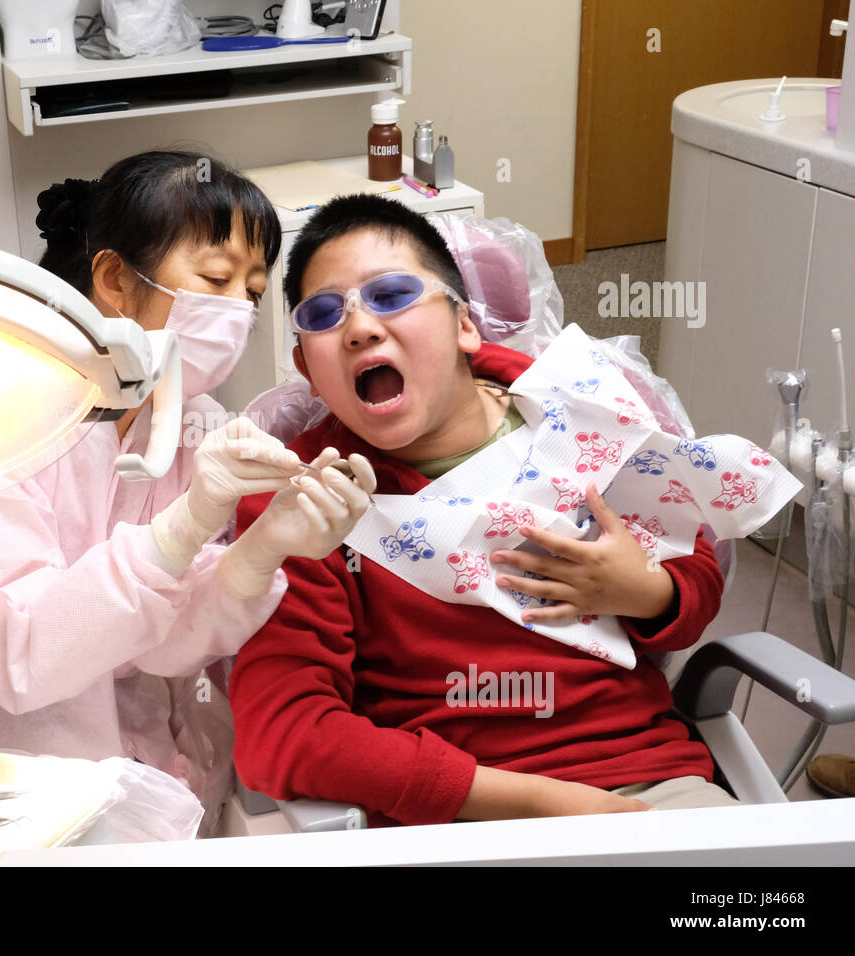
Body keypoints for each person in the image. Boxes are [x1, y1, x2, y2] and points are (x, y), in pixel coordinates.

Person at [0, 151, 374, 835]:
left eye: (253, 293)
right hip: (6, 790)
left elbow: (158, 649)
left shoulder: (188, 418)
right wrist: (180, 530)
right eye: (215, 279)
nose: (236, 313)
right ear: (114, 278)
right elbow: (20, 654)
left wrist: (257, 553)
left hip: (152, 773)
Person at [229, 194, 741, 826]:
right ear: (308, 367)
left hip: (640, 780)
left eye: (390, 295)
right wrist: (532, 800)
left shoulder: (582, 419)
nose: (359, 326)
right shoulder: (298, 502)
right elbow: (283, 733)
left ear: (465, 325)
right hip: (454, 814)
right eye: (325, 313)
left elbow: (695, 588)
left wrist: (646, 591)